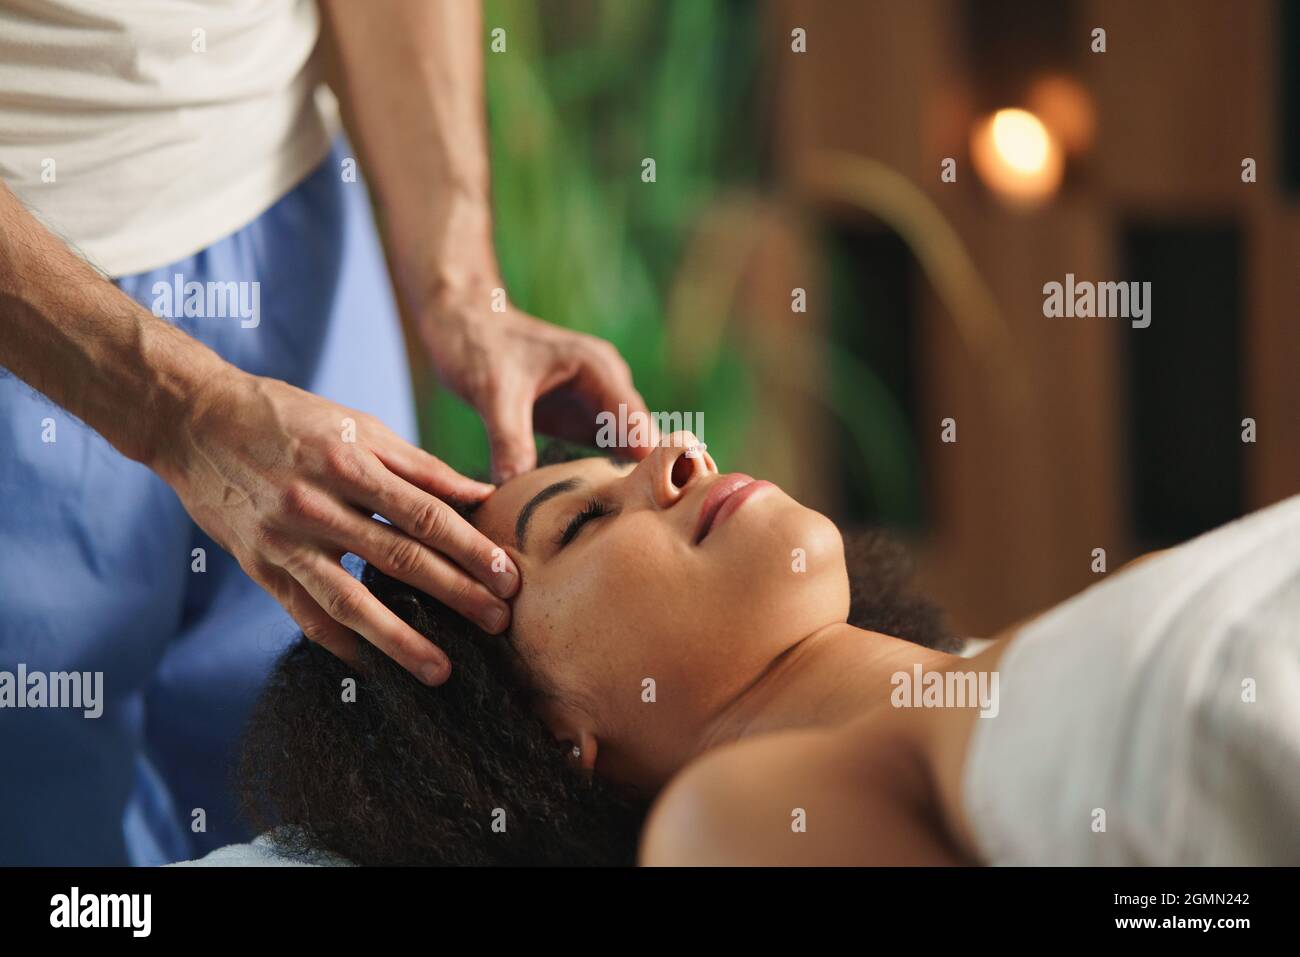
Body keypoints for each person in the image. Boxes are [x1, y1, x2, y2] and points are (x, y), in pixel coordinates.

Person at [0, 1, 651, 865]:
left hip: (291, 225)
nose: (677, 463)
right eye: (583, 518)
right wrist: (180, 412)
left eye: (587, 511)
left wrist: (459, 280)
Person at [237, 435, 1300, 865]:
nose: (672, 453)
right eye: (582, 523)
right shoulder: (726, 830)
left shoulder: (1010, 662)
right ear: (554, 738)